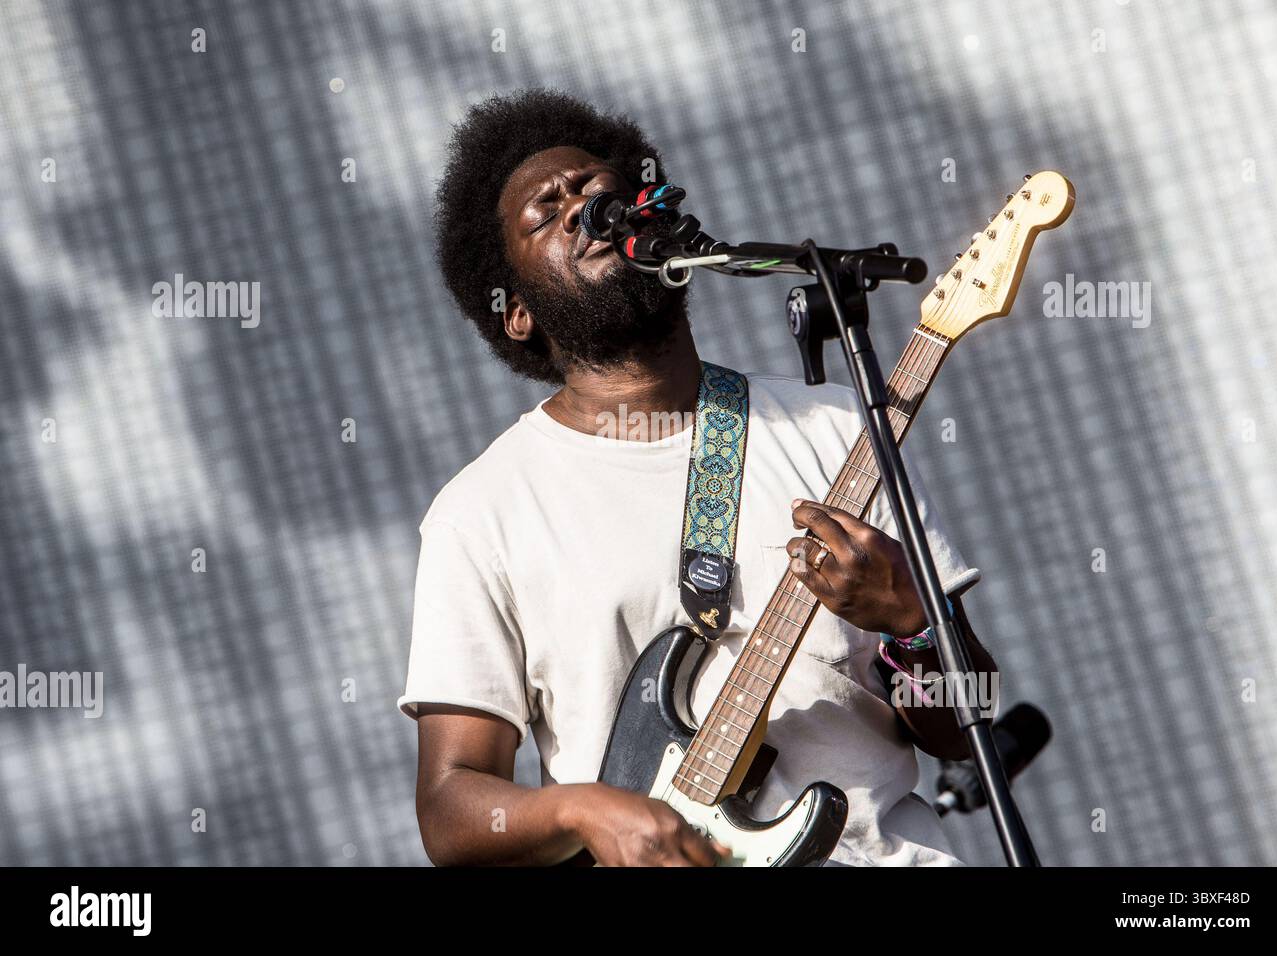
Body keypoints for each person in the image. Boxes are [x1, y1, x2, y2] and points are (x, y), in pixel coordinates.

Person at [399, 88, 998, 866]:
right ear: (516, 312)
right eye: (545, 212)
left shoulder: (834, 430)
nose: (583, 206)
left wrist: (913, 622)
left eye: (595, 186)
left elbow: (968, 726)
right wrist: (582, 810)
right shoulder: (482, 514)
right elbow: (450, 811)